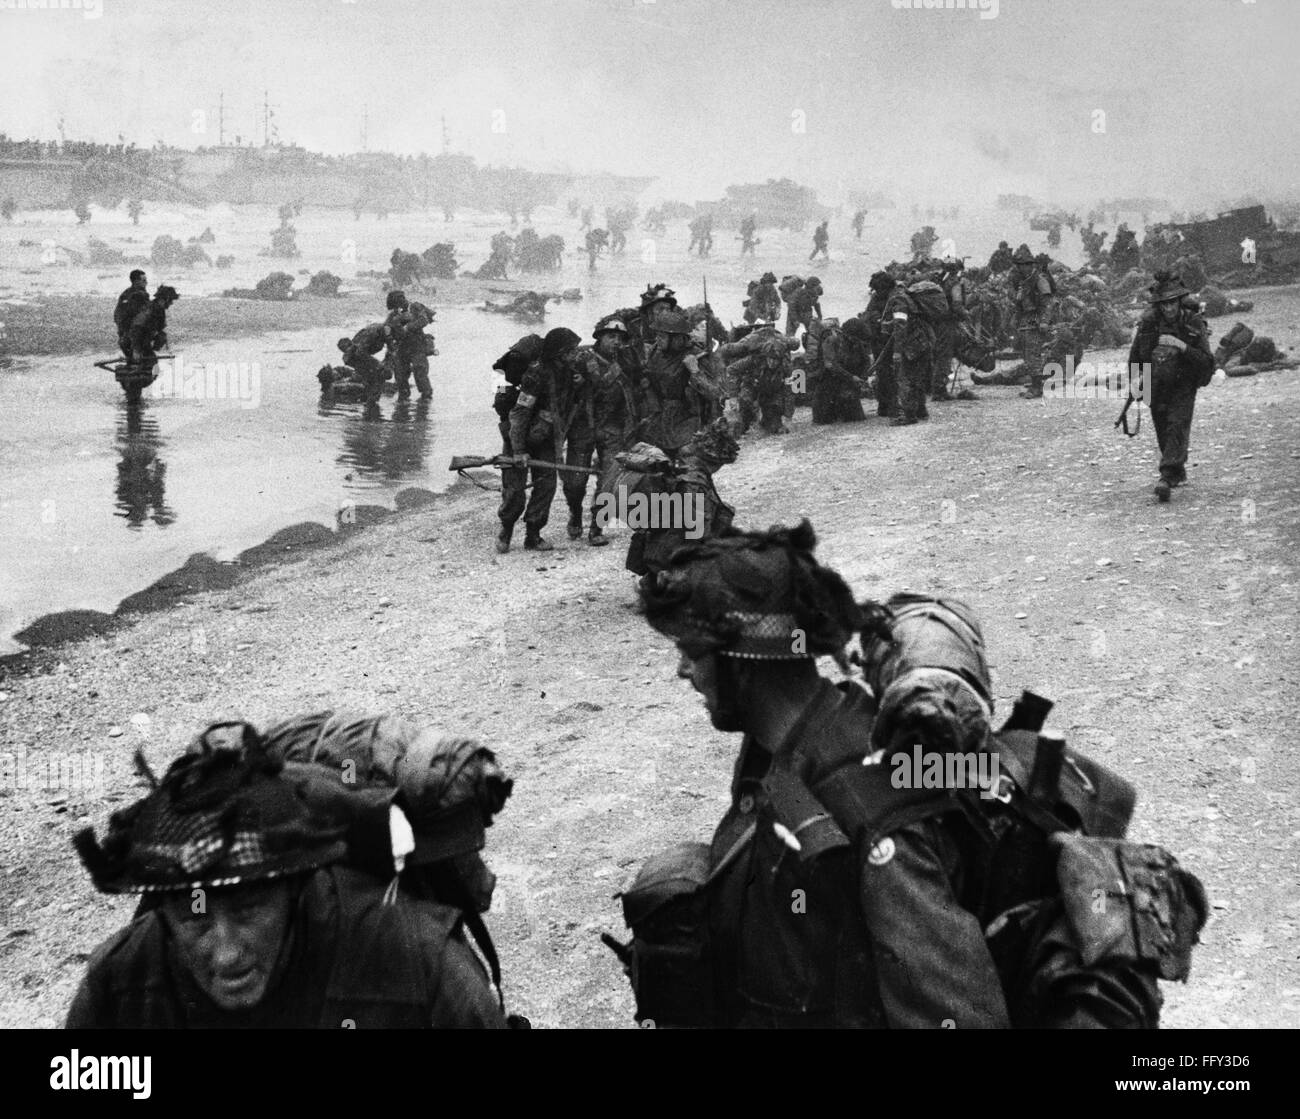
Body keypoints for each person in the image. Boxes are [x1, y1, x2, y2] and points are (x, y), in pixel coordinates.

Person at [611, 520, 1207, 1028]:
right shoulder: (779, 745)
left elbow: (954, 1013)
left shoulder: (878, 814)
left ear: (745, 662)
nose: (683, 672)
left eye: (691, 652)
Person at [66, 721, 506, 1028]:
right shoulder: (119, 981)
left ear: (296, 888)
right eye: (193, 915)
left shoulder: (418, 963)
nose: (226, 954)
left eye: (249, 908)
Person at [501, 327, 593, 552]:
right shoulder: (536, 374)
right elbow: (519, 413)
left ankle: (533, 535)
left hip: (547, 439)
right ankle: (506, 530)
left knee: (546, 487)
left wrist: (581, 383)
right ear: (559, 353)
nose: (575, 355)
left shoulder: (569, 373)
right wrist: (519, 450)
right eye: (571, 351)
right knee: (514, 490)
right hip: (519, 438)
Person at [1127, 273, 1215, 502]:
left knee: (1177, 424)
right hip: (1155, 384)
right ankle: (1177, 471)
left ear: (1179, 302)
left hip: (1184, 383)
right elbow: (1136, 356)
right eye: (1164, 304)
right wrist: (1135, 381)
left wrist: (1182, 346)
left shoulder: (1193, 323)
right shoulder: (1148, 325)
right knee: (1163, 427)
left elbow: (1206, 361)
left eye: (1172, 302)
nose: (1168, 308)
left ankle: (1166, 476)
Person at [584, 318, 641, 547]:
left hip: (613, 428)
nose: (616, 342)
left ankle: (596, 527)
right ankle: (575, 518)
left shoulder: (624, 359)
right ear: (600, 337)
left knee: (609, 478)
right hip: (584, 427)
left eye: (619, 338)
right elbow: (594, 386)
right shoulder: (587, 358)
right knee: (575, 483)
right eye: (611, 337)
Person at [882, 282, 933, 425]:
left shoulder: (899, 301)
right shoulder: (910, 298)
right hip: (923, 341)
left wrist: (897, 351)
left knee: (905, 378)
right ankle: (920, 410)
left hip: (911, 344)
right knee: (917, 378)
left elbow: (900, 324)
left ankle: (908, 415)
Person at [1008, 244, 1054, 399]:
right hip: (1025, 320)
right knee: (1027, 355)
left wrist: (1044, 322)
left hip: (1035, 321)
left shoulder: (1039, 280)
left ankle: (1036, 387)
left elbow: (1048, 303)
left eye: (1023, 266)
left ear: (1030, 266)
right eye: (1019, 266)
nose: (1020, 269)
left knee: (1033, 354)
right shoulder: (1024, 281)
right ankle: (1035, 385)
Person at [384, 290, 435, 400]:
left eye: (397, 304)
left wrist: (407, 327)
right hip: (402, 347)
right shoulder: (393, 314)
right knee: (400, 374)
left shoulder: (415, 307)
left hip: (417, 345)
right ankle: (403, 397)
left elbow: (423, 320)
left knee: (419, 370)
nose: (397, 308)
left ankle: (426, 397)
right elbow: (387, 327)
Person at [863, 271, 899, 417]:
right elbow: (868, 313)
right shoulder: (876, 297)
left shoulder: (896, 297)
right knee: (884, 372)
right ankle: (885, 405)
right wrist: (876, 319)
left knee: (893, 372)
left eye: (879, 289)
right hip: (879, 339)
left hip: (894, 339)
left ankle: (893, 404)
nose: (877, 291)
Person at [336, 321, 392, 406]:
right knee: (378, 381)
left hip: (366, 365)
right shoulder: (356, 351)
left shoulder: (361, 342)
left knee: (374, 385)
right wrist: (381, 365)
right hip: (366, 366)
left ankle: (370, 407)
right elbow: (362, 356)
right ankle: (370, 407)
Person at [126, 285, 180, 371]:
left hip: (144, 339)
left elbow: (160, 329)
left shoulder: (160, 310)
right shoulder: (149, 310)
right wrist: (136, 349)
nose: (171, 303)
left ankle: (144, 356)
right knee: (148, 365)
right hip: (135, 339)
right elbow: (136, 329)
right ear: (163, 299)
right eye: (170, 300)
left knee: (161, 337)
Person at [114, 269, 151, 364]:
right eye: (144, 280)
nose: (146, 282)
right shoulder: (139, 296)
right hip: (134, 335)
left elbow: (117, 316)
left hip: (126, 336)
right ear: (136, 281)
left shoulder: (126, 293)